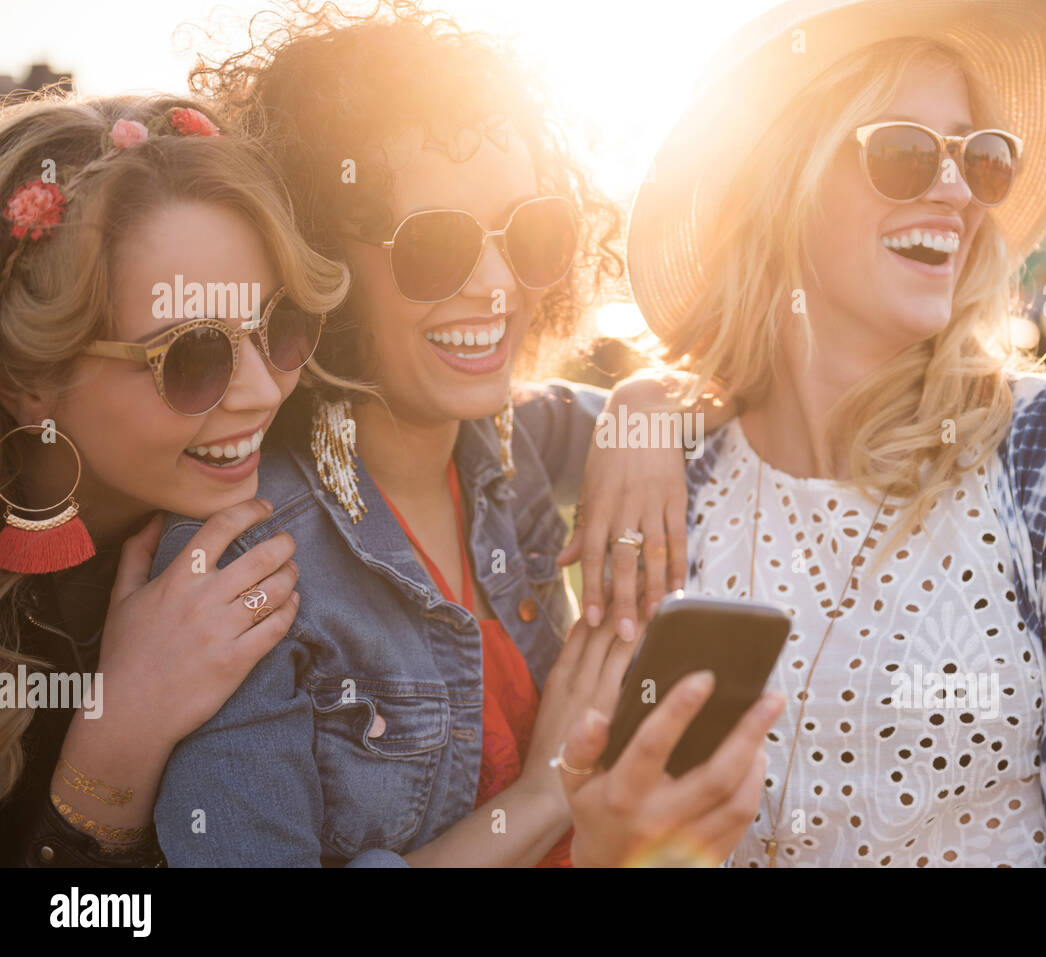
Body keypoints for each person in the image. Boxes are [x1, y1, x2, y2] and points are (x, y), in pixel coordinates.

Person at [148, 3, 777, 867]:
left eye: (527, 232)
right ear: (320, 260)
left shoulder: (509, 438)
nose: (496, 285)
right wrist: (547, 792)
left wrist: (641, 403)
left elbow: (754, 386)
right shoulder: (240, 561)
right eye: (434, 245)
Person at [624, 0, 1046, 866]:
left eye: (982, 157)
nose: (957, 190)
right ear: (779, 181)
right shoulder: (676, 490)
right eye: (903, 151)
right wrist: (630, 416)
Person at [0, 92, 349, 865]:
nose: (261, 390)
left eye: (279, 325)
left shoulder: (309, 437)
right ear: (32, 378)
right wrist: (117, 740)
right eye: (192, 356)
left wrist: (654, 401)